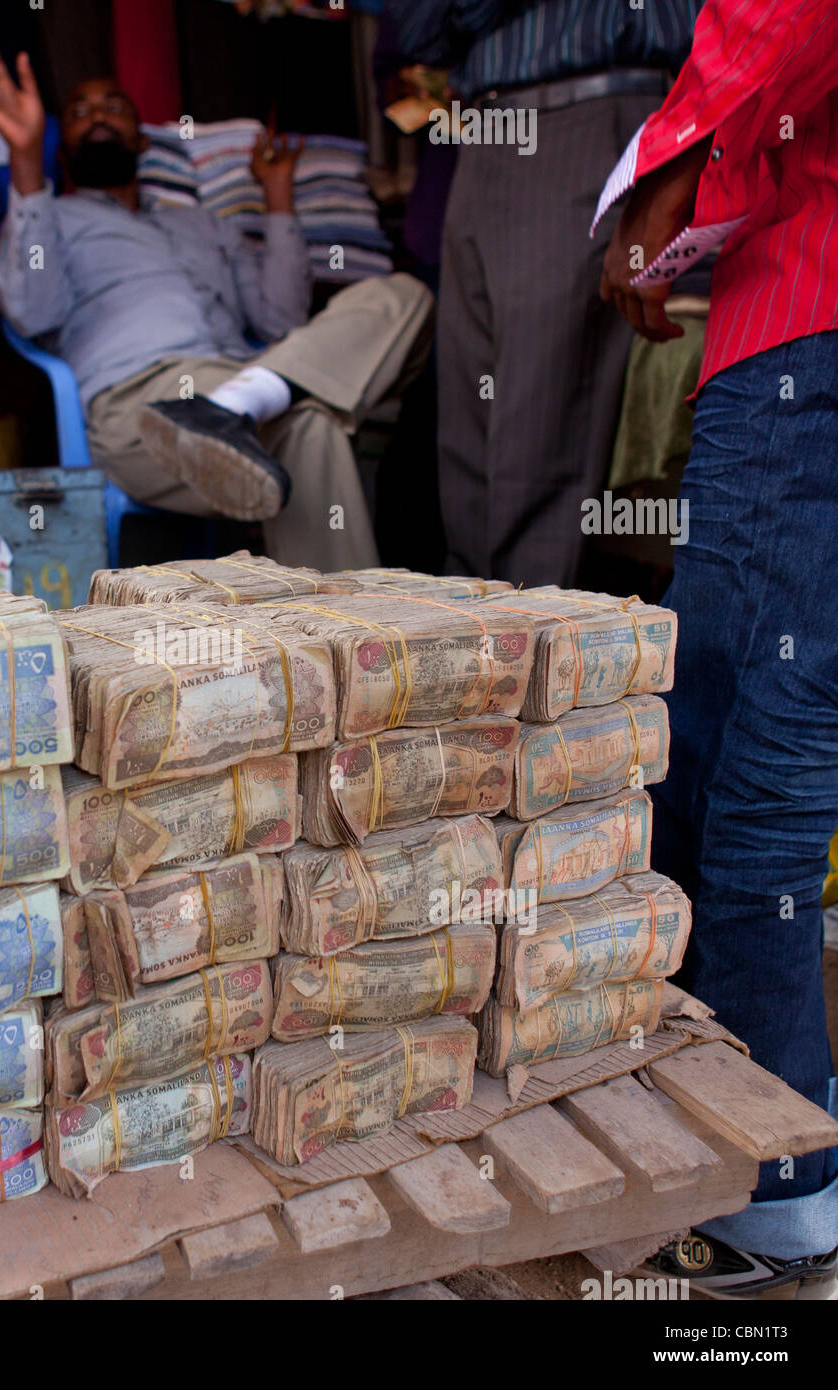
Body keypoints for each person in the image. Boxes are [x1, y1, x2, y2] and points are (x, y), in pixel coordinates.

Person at [596, 0, 838, 1297]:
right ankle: (762, 1138)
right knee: (733, 755)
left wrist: (671, 164)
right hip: (793, 320)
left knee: (750, 774)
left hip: (809, 338)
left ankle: (773, 1187)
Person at [0, 28, 434, 571]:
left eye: (113, 106)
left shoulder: (203, 224)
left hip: (242, 382)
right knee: (313, 425)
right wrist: (24, 162)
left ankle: (240, 403)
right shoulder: (50, 218)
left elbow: (281, 320)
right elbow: (31, 311)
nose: (96, 116)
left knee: (404, 296)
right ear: (63, 147)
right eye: (78, 111)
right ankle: (357, 635)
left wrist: (277, 198)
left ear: (141, 140)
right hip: (141, 407)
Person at [377, 0, 701, 587]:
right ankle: (474, 654)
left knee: (537, 443)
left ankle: (524, 658)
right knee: (467, 455)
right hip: (483, 131)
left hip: (590, 110)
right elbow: (420, 32)